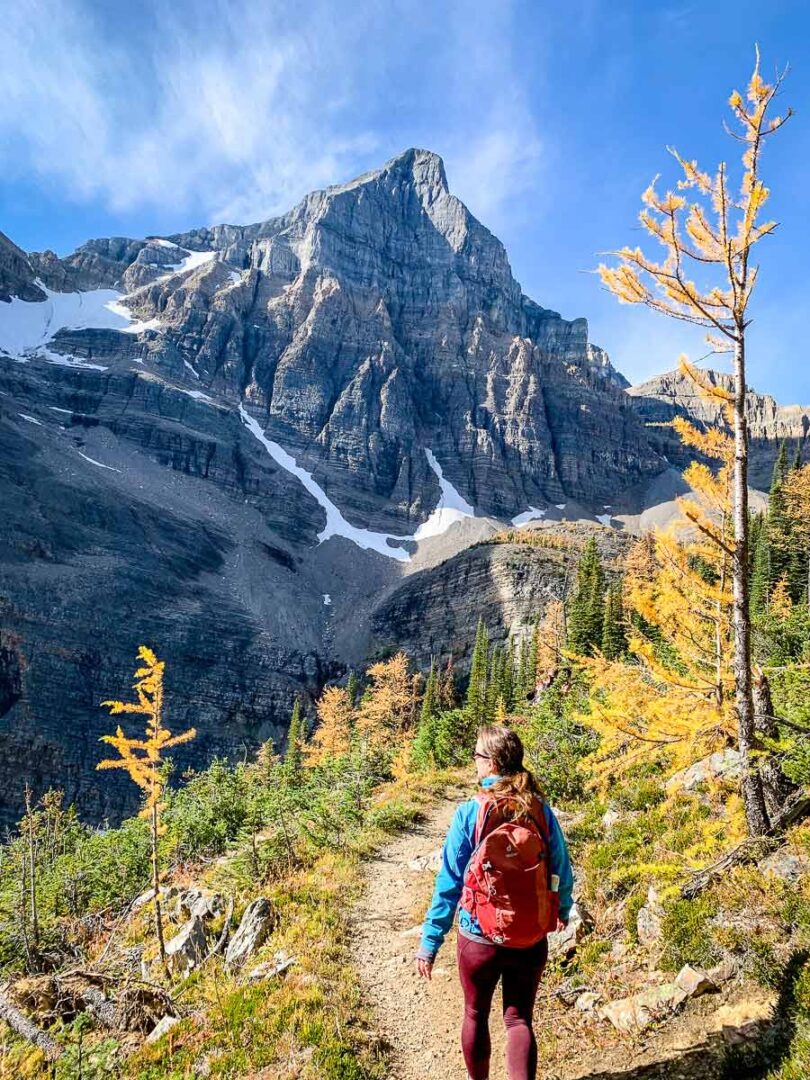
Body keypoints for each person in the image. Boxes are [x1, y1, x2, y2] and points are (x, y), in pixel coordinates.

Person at [415, 724, 574, 1080]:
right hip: (530, 935)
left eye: (477, 755)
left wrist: (430, 941)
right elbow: (562, 868)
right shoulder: (539, 810)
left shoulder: (470, 813)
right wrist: (560, 910)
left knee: (475, 1013)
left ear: (492, 763)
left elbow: (449, 883)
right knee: (519, 1020)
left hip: (478, 935)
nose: (473, 761)